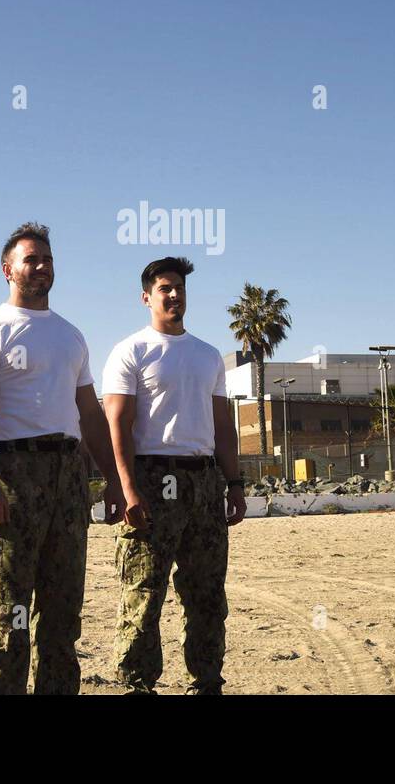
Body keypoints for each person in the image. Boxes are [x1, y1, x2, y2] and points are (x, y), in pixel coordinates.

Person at [0, 221, 121, 695]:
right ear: (8, 269)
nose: (42, 266)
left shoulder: (71, 336)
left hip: (68, 477)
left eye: (47, 258)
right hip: (13, 473)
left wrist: (110, 479)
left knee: (63, 609)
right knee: (10, 610)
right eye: (32, 259)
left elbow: (90, 414)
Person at [102, 256, 246, 695]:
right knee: (144, 596)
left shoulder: (207, 356)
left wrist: (235, 483)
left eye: (179, 287)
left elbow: (223, 426)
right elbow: (117, 426)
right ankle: (137, 684)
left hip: (204, 483)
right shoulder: (131, 351)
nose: (174, 294)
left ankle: (206, 683)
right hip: (150, 479)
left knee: (206, 597)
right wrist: (126, 487)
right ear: (147, 297)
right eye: (164, 288)